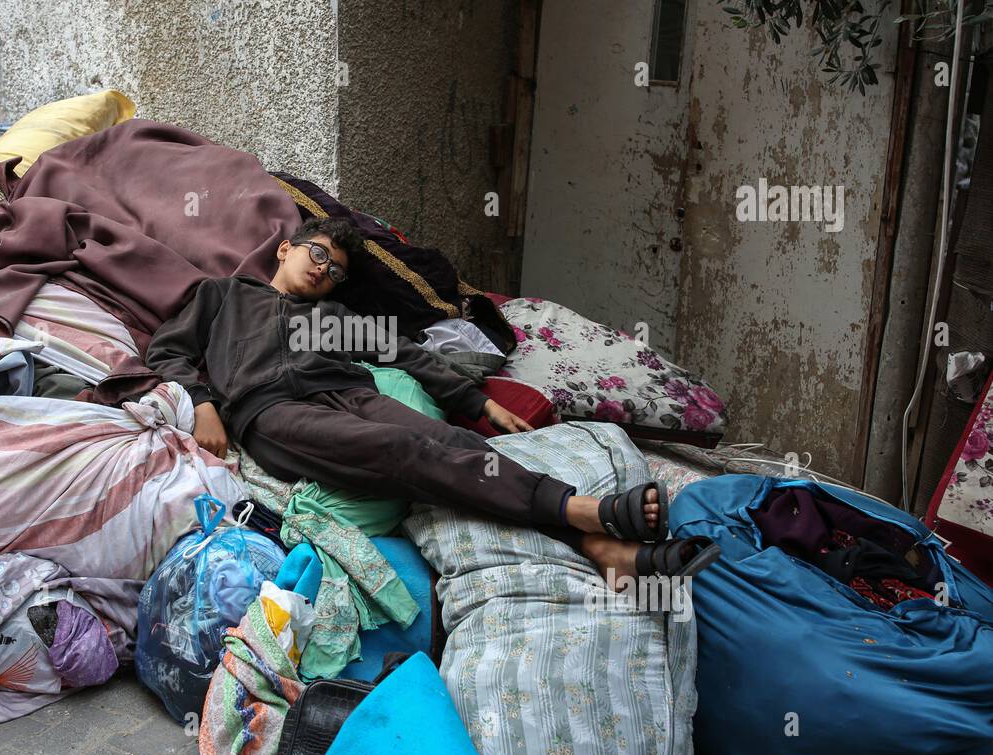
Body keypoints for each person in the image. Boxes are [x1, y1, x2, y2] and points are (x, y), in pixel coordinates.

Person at [146, 218, 718, 586]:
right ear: (287, 249)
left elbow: (403, 354)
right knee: (398, 447)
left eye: (337, 272)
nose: (325, 272)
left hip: (350, 394)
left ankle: (596, 547)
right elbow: (166, 352)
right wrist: (202, 403)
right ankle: (581, 513)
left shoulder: (333, 317)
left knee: (453, 443)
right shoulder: (224, 297)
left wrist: (477, 403)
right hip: (272, 412)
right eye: (318, 256)